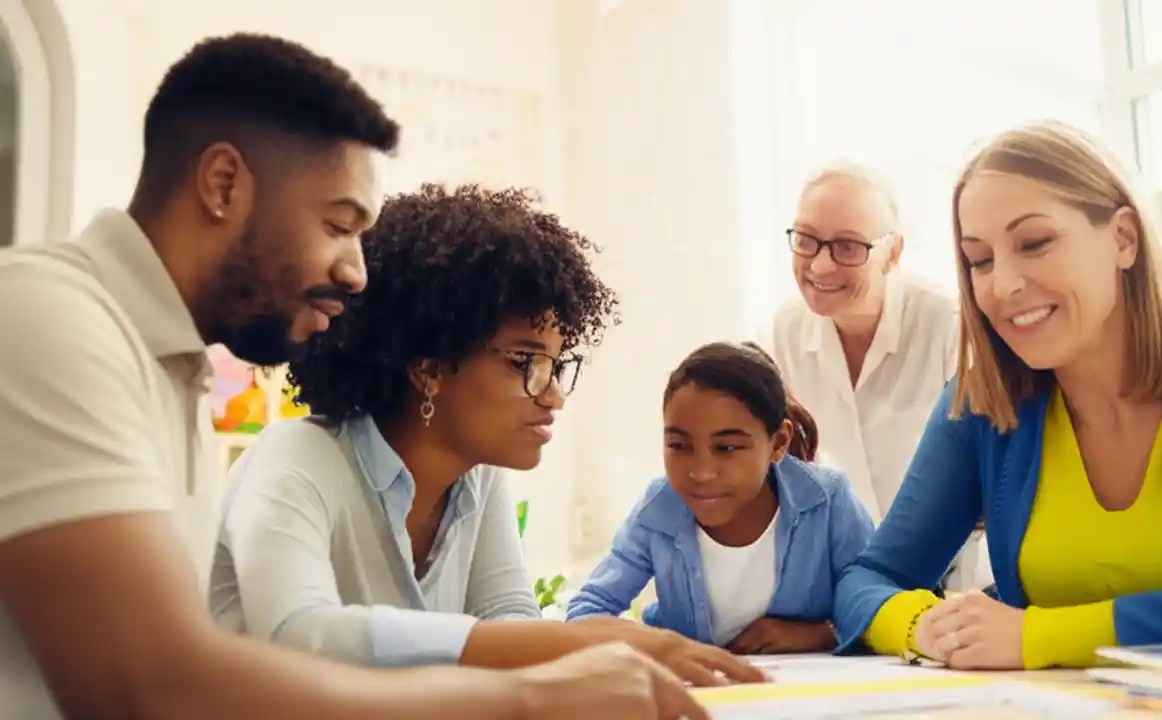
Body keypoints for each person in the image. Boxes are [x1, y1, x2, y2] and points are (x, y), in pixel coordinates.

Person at [0, 33, 709, 719]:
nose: (355, 272)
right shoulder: (46, 315)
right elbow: (148, 688)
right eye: (339, 225)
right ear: (223, 184)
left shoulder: (170, 370)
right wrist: (529, 699)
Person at [210, 185, 765, 686]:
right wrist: (576, 640)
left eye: (554, 364)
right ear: (428, 368)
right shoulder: (295, 459)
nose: (553, 395)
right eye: (525, 361)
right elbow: (300, 632)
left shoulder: (477, 478)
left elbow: (510, 623)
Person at [832, 121, 1162, 671]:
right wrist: (925, 626)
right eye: (980, 260)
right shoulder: (982, 406)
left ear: (1123, 238)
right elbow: (867, 582)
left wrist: (1042, 635)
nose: (1002, 285)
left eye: (1034, 244)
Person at [759, 163, 989, 590]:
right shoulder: (783, 333)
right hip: (851, 591)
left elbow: (978, 491)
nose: (821, 266)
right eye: (806, 240)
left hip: (960, 591)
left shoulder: (951, 325)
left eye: (847, 246)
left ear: (894, 252)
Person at [566, 342, 875, 655]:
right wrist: (655, 645)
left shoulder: (827, 502)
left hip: (813, 694)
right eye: (679, 446)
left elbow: (882, 602)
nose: (701, 472)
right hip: (702, 695)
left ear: (779, 442)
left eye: (726, 448)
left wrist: (824, 633)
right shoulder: (659, 511)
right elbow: (587, 612)